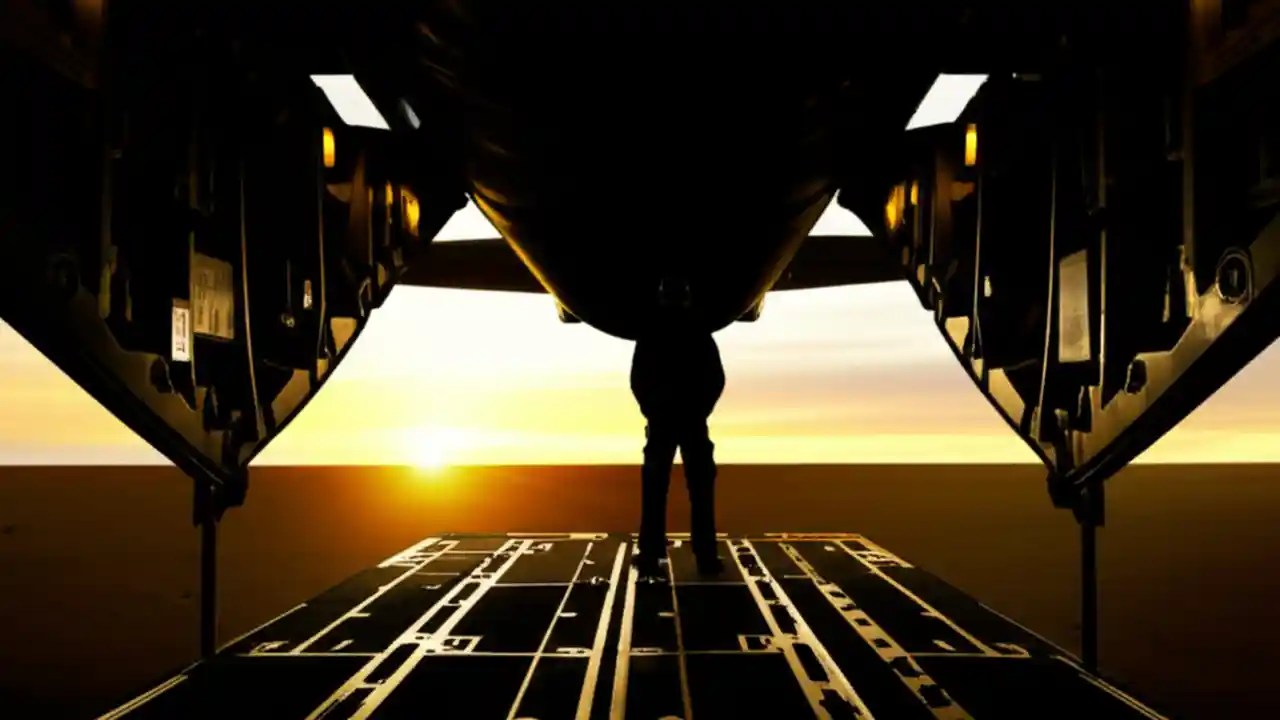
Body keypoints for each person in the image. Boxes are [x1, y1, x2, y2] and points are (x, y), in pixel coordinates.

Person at [630, 275, 726, 577]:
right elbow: (715, 378)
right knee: (700, 489)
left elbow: (638, 380)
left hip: (664, 420)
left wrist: (653, 411)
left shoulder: (651, 335)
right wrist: (700, 411)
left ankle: (650, 553)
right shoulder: (699, 333)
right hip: (691, 420)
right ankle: (706, 557)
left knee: (655, 487)